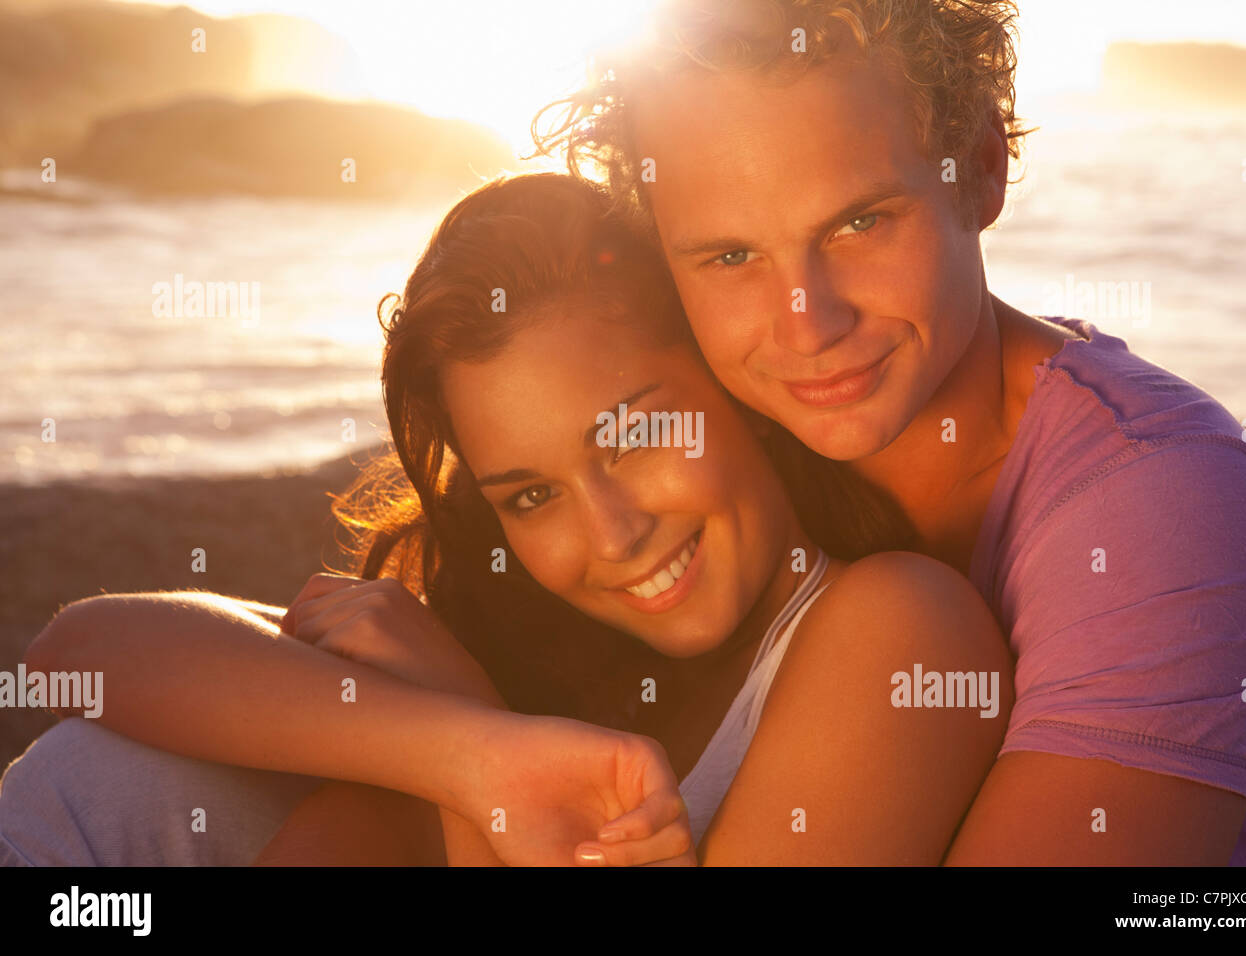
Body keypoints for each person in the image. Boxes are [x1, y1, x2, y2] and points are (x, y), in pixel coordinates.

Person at [4, 172, 1010, 866]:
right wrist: (470, 747)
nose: (610, 533)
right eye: (531, 494)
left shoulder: (900, 629)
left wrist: (472, 757)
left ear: (732, 379)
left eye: (631, 435)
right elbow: (75, 652)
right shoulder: (491, 642)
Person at [526, 0, 1246, 864]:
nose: (807, 326)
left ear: (979, 171)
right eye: (732, 257)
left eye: (860, 223)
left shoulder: (1164, 510)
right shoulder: (707, 454)